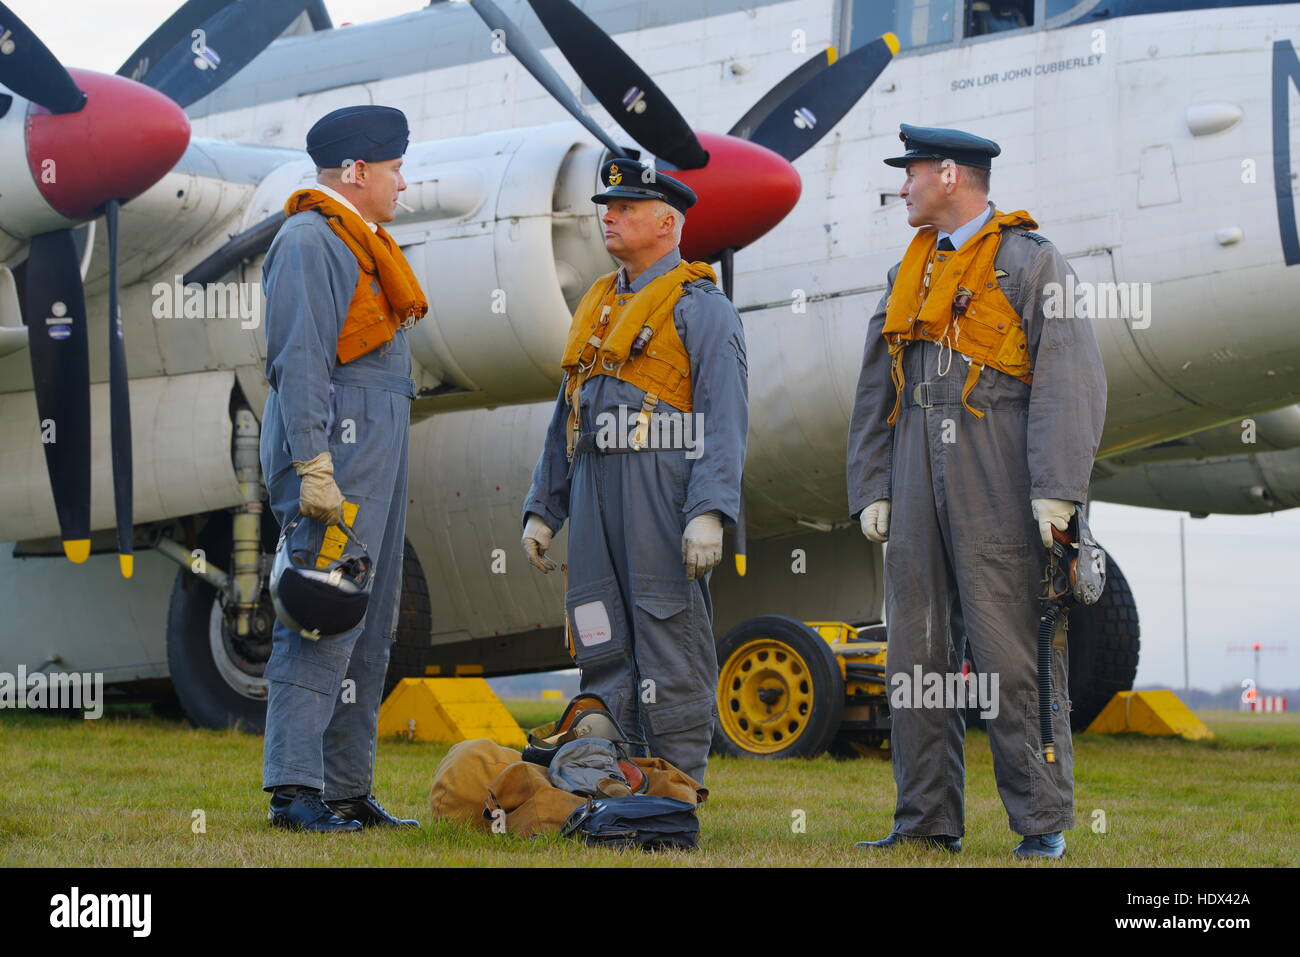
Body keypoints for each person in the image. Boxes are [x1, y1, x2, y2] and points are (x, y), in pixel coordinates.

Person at [846, 124, 1106, 858]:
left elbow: (1072, 377)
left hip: (998, 474)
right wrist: (874, 483)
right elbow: (876, 385)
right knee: (914, 657)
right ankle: (925, 820)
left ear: (951, 176)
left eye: (914, 172)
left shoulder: (1031, 261)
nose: (904, 185)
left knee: (1013, 653)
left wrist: (1057, 489)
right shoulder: (912, 270)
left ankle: (1041, 824)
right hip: (913, 470)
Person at [520, 158, 748, 783]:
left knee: (667, 634)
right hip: (594, 489)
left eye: (625, 208)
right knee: (598, 630)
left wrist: (708, 511)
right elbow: (567, 411)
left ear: (668, 222)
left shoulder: (702, 309)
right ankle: (615, 779)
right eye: (608, 206)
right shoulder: (597, 302)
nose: (609, 216)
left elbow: (723, 420)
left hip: (661, 490)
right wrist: (545, 506)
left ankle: (676, 786)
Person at [259, 105, 426, 831]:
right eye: (394, 171)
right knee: (321, 611)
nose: (403, 185)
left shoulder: (361, 243)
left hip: (376, 453)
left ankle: (344, 787)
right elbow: (298, 362)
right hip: (336, 451)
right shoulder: (309, 240)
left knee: (370, 618)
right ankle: (295, 789)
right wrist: (312, 464)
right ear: (356, 172)